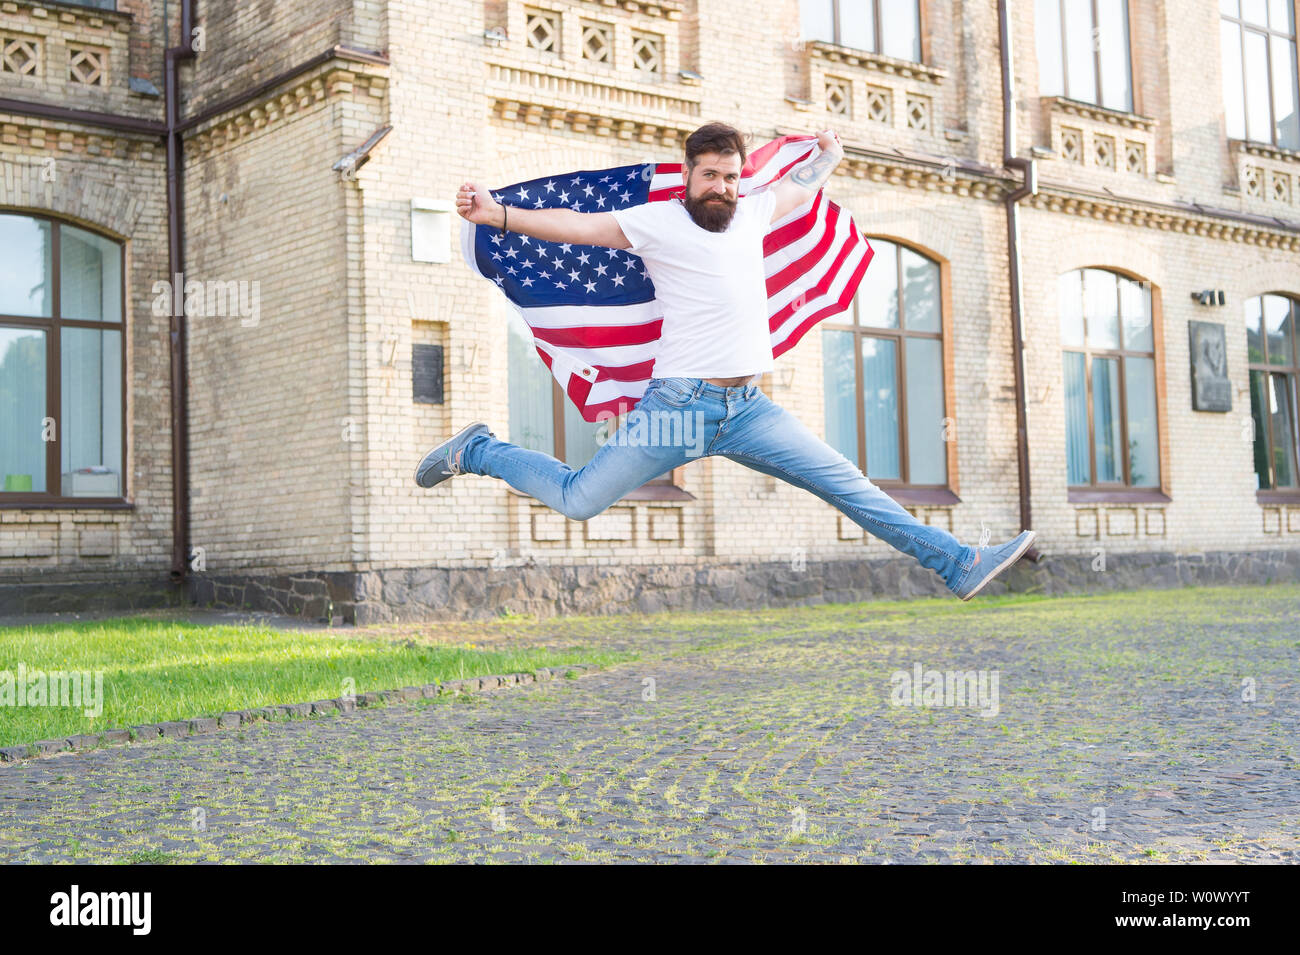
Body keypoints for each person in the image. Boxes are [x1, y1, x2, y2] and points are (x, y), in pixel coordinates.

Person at [417, 122, 1035, 600]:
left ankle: (957, 563)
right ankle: (478, 451)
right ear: (689, 174)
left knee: (850, 487)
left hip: (748, 410)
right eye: (710, 175)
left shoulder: (754, 211)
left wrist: (829, 156)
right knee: (579, 501)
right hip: (679, 407)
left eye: (731, 178)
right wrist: (497, 214)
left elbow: (803, 184)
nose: (721, 188)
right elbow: (574, 228)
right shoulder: (655, 221)